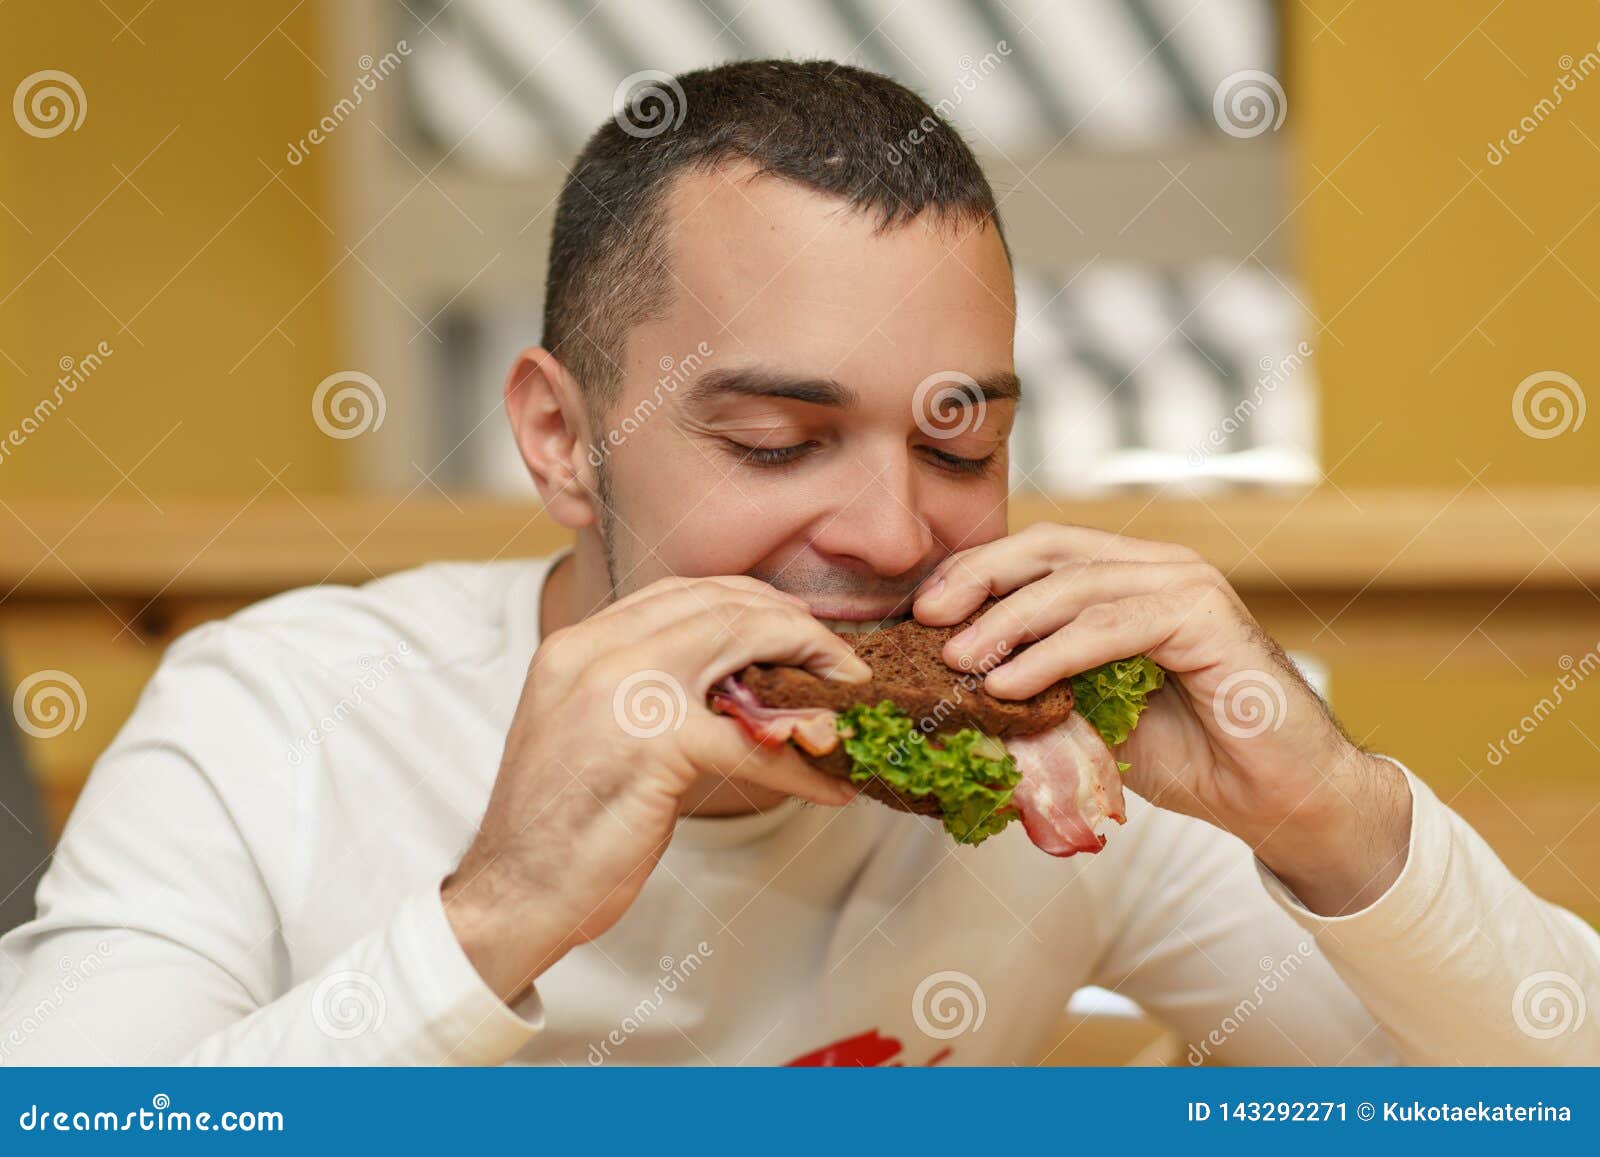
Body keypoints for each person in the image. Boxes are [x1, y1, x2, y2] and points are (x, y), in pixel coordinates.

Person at [1, 60, 1595, 1067]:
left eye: (961, 445)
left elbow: (1539, 1096)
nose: (896, 536)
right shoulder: (274, 718)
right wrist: (490, 919)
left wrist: (1330, 816)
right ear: (563, 441)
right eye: (773, 441)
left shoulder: (1069, 781)